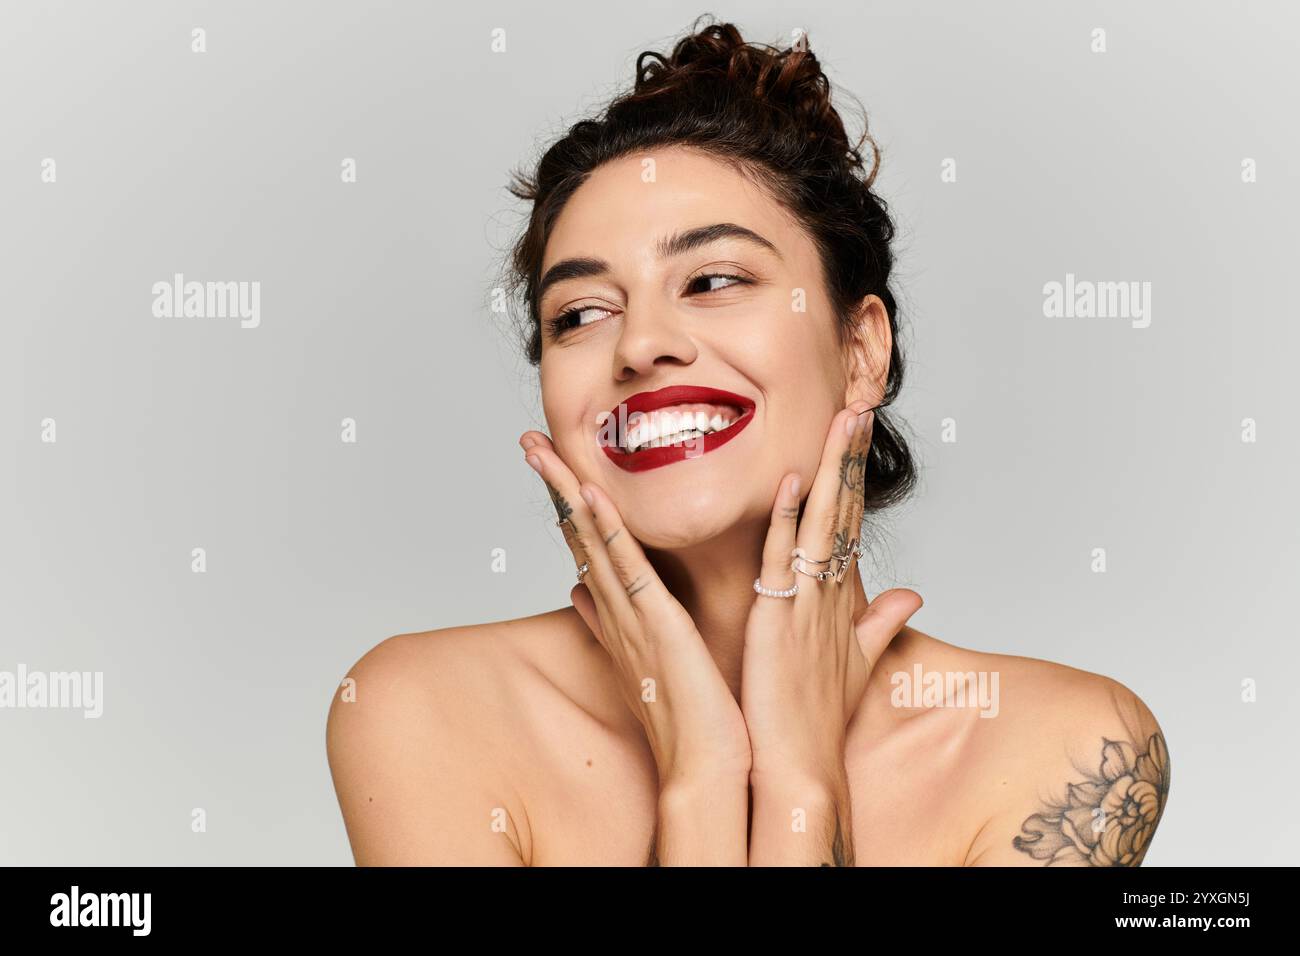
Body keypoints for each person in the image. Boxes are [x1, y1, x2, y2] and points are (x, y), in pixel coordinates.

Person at [327, 17, 1170, 866]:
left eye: (714, 280)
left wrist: (802, 781)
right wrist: (701, 774)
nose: (640, 345)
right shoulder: (424, 711)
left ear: (860, 349)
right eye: (580, 313)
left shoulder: (1069, 749)